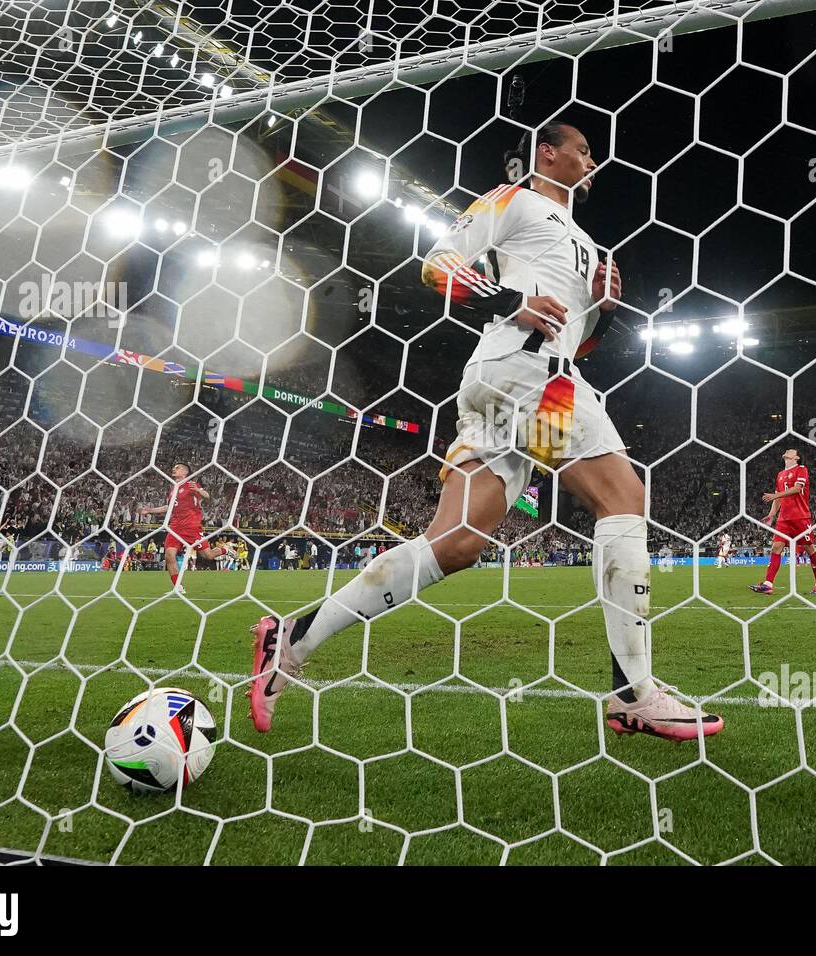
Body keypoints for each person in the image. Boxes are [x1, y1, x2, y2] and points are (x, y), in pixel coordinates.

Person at [245, 119, 722, 742]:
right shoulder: (515, 198)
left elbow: (574, 342)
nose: (590, 158)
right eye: (580, 148)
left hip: (533, 382)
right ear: (544, 153)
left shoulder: (584, 241)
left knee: (459, 542)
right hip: (522, 371)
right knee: (623, 497)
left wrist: (601, 312)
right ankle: (634, 694)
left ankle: (293, 640)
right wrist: (506, 300)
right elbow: (438, 264)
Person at [136, 463, 231, 593]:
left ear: (185, 472)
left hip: (192, 527)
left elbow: (207, 497)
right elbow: (169, 507)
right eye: (174, 467)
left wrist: (199, 491)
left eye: (177, 467)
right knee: (169, 555)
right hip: (175, 528)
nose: (174, 469)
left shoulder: (191, 485)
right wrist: (150, 510)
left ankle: (226, 550)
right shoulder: (173, 488)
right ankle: (178, 587)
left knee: (207, 555)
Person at [750, 448, 816, 595]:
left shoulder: (801, 469)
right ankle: (768, 584)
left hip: (800, 517)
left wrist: (775, 495)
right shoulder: (780, 474)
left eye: (791, 451)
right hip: (783, 519)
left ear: (796, 457)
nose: (787, 450)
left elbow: (797, 489)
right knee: (776, 548)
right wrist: (772, 515)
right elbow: (778, 498)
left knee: (810, 549)